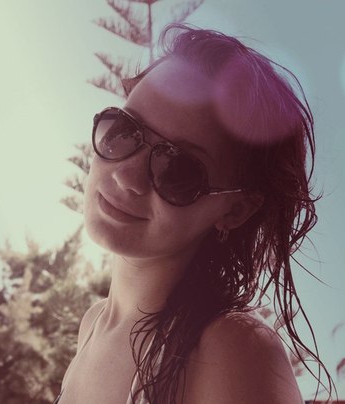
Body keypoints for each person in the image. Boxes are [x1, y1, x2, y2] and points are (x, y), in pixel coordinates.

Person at [54, 24, 335, 404]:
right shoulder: (92, 325)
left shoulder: (233, 350)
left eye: (178, 170)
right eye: (123, 131)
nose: (126, 176)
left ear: (235, 210)